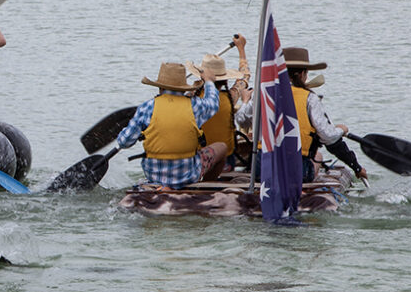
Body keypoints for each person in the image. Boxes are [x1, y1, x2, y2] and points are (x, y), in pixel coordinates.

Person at [237, 47, 367, 182]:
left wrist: (245, 101)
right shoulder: (310, 98)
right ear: (302, 74)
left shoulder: (263, 93)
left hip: (263, 167)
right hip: (296, 169)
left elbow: (241, 119)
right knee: (318, 156)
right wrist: (341, 131)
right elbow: (329, 138)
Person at [110, 62, 228, 187]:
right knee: (222, 147)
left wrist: (138, 130)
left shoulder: (147, 107)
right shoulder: (195, 105)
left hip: (153, 176)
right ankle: (204, 187)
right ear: (183, 88)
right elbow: (213, 104)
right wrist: (209, 82)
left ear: (160, 87)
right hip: (188, 176)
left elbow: (124, 142)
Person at [191, 46, 250, 179]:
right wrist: (241, 49)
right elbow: (245, 77)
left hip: (199, 157)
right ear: (224, 78)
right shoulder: (231, 96)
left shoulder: (191, 98)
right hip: (226, 160)